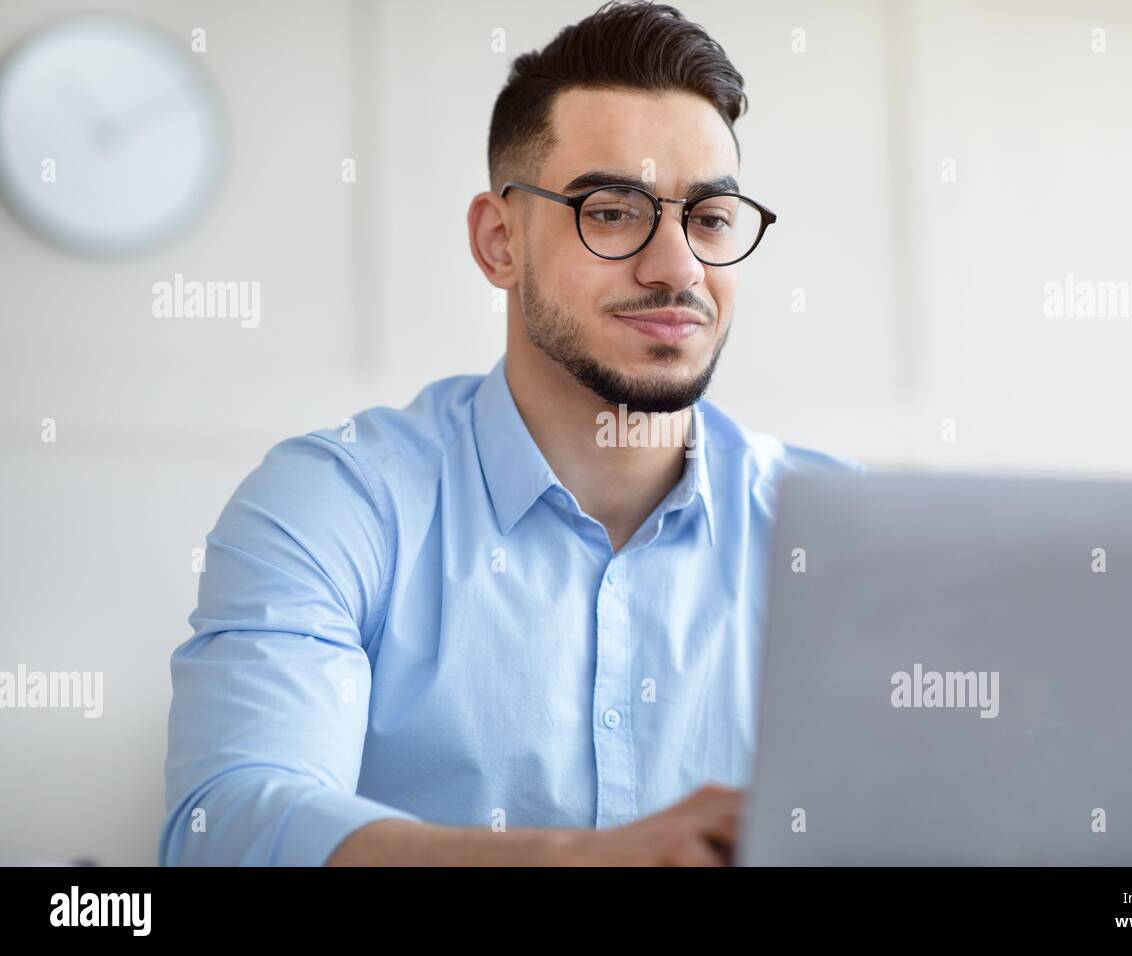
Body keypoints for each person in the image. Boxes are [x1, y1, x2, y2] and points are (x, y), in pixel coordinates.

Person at [160, 0, 863, 867]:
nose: (678, 266)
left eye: (710, 219)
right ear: (500, 241)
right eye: (612, 210)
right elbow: (228, 828)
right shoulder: (336, 501)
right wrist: (578, 861)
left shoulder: (842, 536)